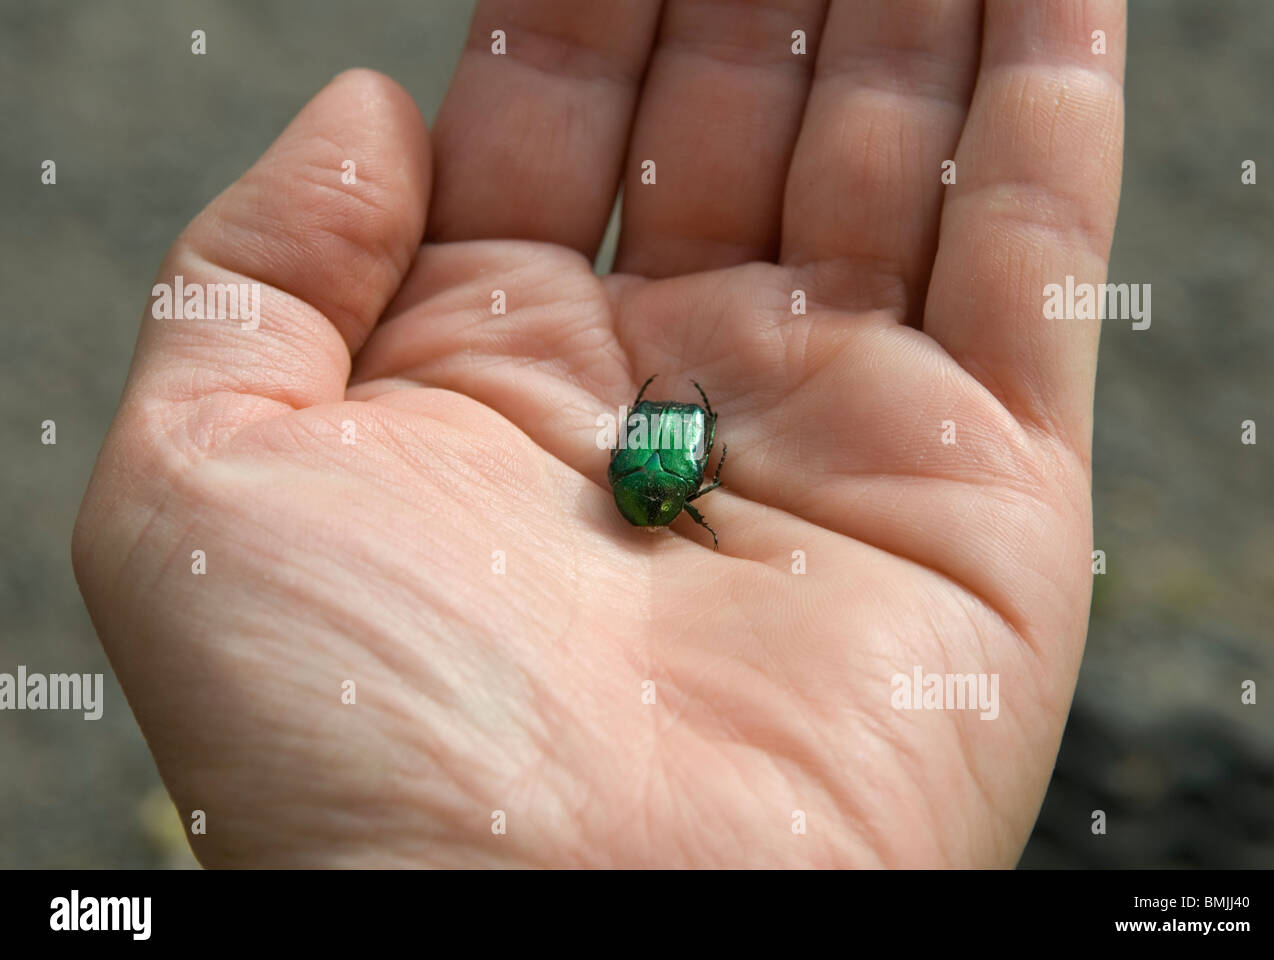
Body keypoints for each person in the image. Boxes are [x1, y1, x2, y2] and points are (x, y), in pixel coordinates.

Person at [72, 0, 1127, 867]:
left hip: (664, 417)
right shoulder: (665, 486)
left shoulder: (651, 481)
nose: (658, 509)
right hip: (667, 419)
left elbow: (664, 462)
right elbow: (675, 465)